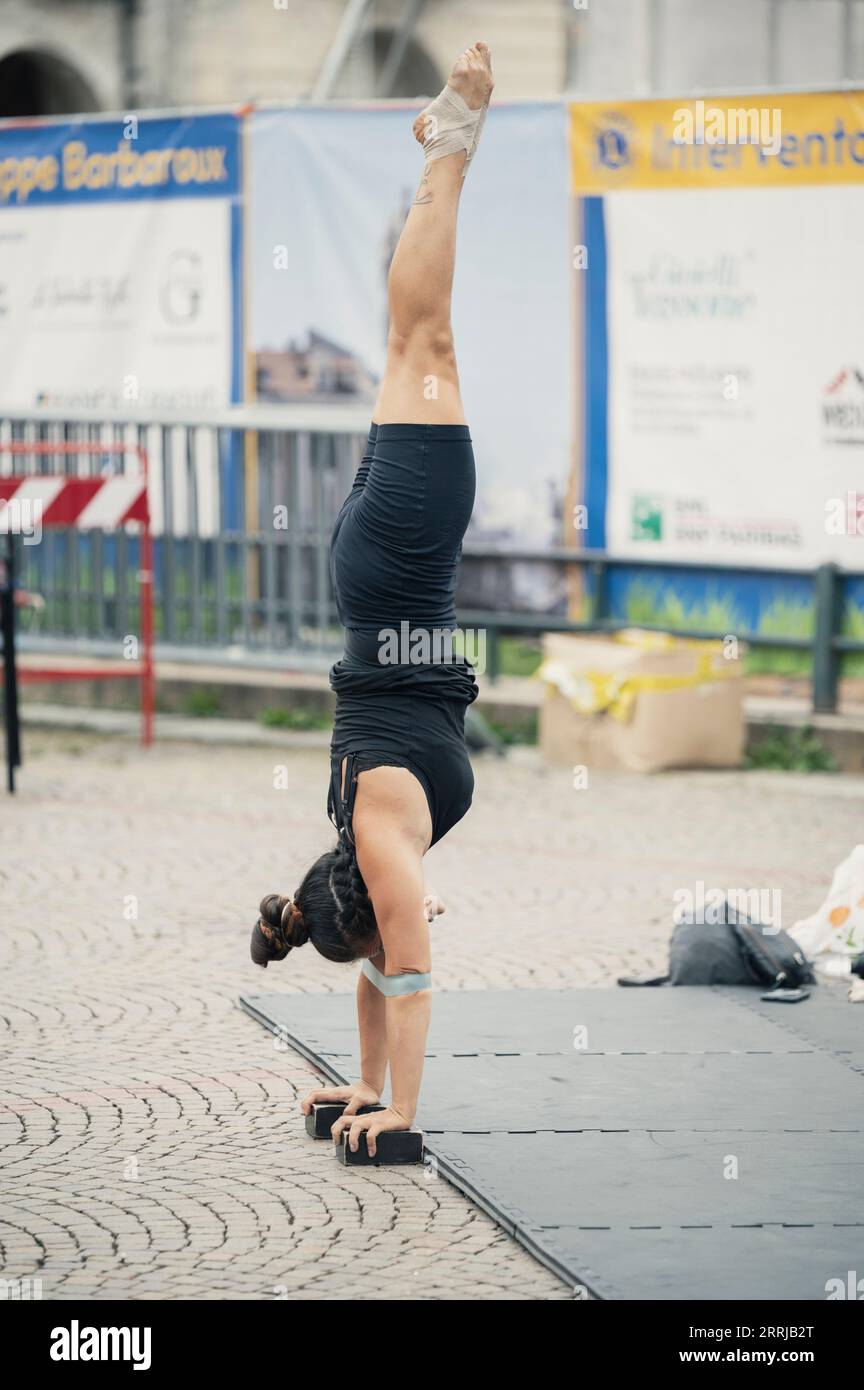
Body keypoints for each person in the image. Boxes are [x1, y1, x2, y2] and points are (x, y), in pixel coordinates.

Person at [250, 43, 494, 1157]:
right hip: (387, 575)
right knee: (417, 341)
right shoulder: (368, 830)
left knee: (416, 340)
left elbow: (382, 961)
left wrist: (371, 1093)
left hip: (396, 571)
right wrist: (389, 1105)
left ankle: (450, 149)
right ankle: (448, 150)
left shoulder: (386, 835)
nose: (398, 914)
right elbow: (390, 961)